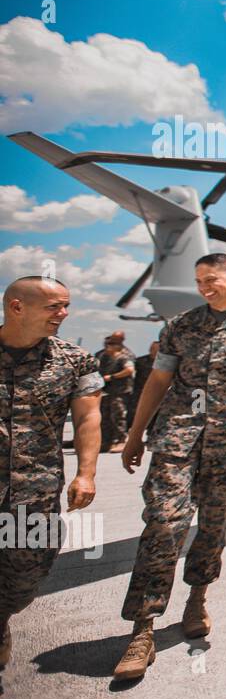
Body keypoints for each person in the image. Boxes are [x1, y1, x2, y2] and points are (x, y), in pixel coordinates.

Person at [113, 253, 226, 681]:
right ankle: (143, 628)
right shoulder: (180, 326)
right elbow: (157, 381)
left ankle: (197, 597)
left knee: (213, 524)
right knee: (164, 524)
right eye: (199, 281)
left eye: (212, 280)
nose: (205, 287)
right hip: (176, 436)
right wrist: (136, 435)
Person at [0, 277, 102, 672]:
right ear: (16, 307)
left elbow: (88, 416)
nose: (63, 314)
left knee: (27, 575)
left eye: (66, 306)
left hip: (36, 490)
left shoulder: (75, 360)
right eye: (54, 307)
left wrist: (86, 473)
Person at [98, 339, 134, 454]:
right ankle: (106, 442)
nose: (107, 346)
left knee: (118, 416)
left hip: (119, 391)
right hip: (105, 391)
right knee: (104, 417)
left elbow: (129, 370)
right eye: (106, 344)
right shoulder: (102, 357)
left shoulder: (123, 357)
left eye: (111, 344)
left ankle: (121, 440)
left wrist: (112, 377)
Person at [128, 340, 159, 431]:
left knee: (154, 418)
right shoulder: (140, 361)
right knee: (134, 416)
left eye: (156, 349)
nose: (153, 350)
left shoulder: (165, 364)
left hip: (157, 395)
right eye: (152, 348)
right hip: (139, 394)